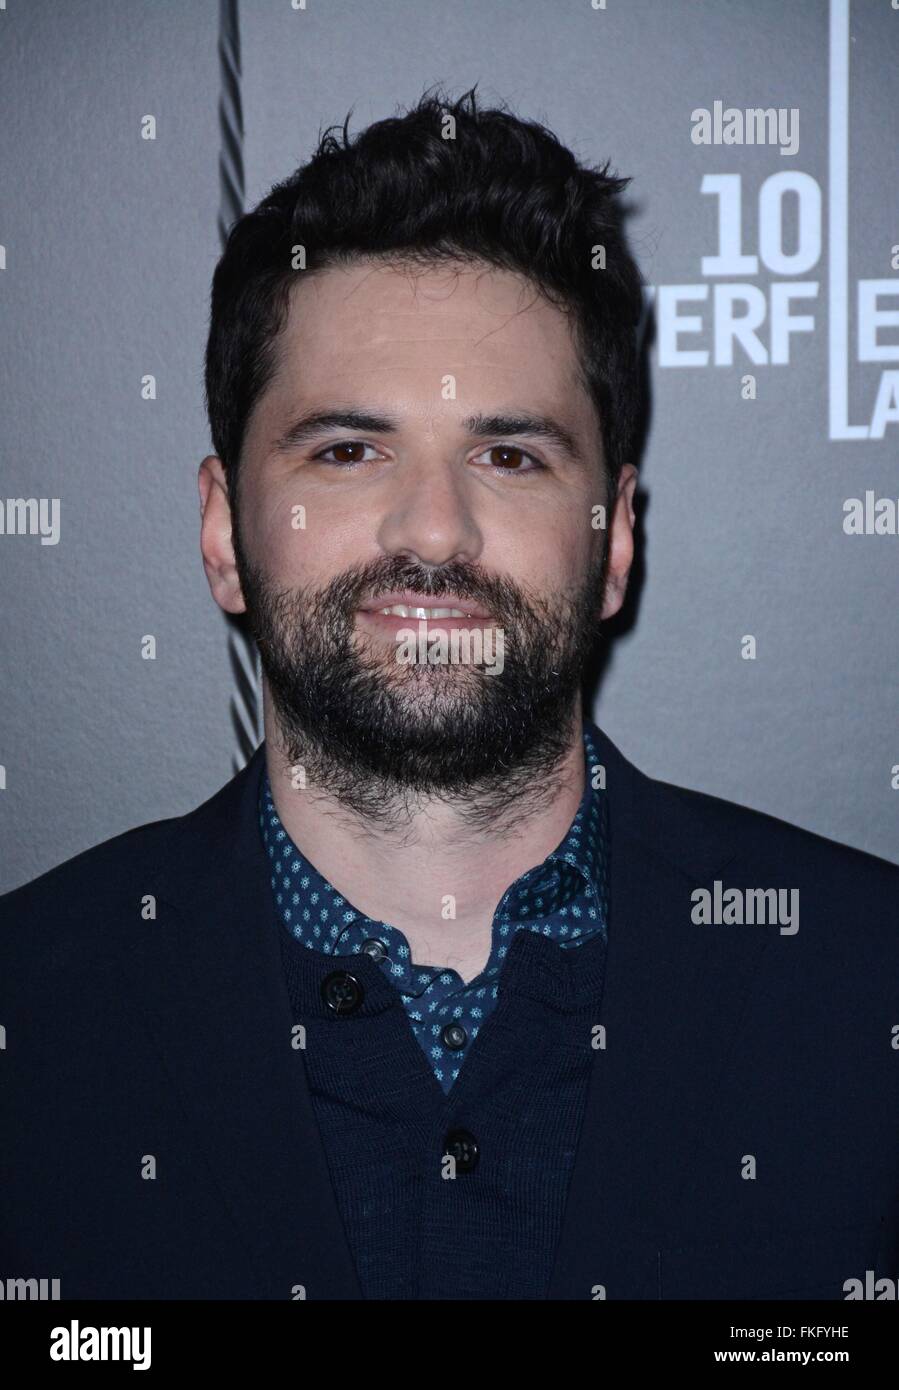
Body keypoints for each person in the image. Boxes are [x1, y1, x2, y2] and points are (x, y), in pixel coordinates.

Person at [2, 89, 896, 1301]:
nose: (433, 527)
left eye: (508, 455)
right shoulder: (31, 1019)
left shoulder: (863, 991)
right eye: (347, 450)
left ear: (614, 539)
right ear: (222, 528)